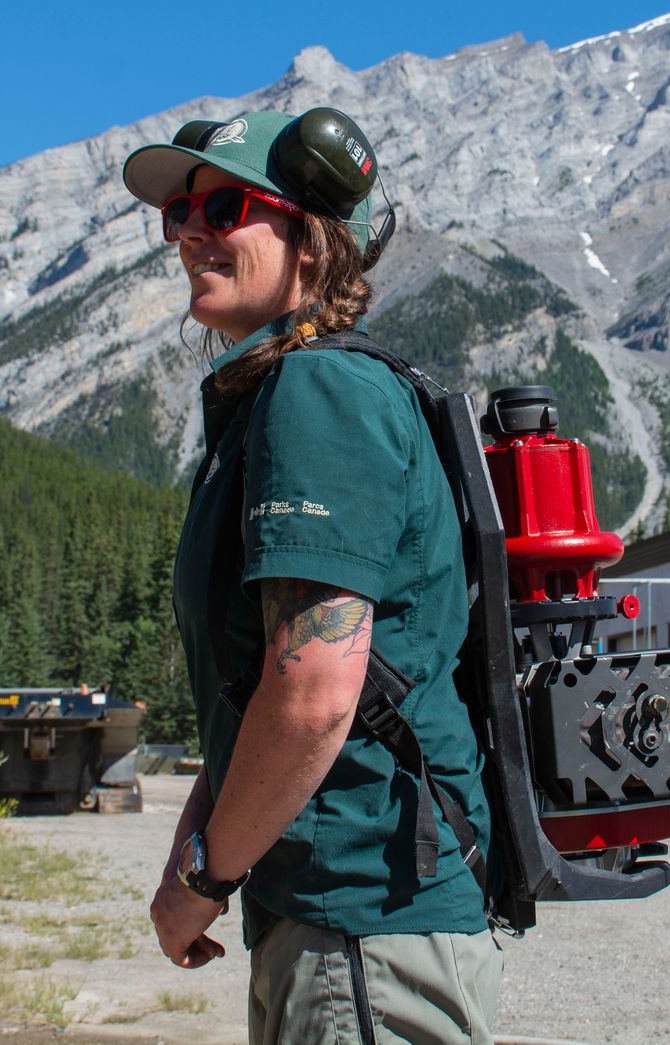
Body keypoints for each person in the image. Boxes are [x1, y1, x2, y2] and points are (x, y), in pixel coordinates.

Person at [121, 109, 501, 1044]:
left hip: (365, 927)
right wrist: (194, 846)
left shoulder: (319, 389)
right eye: (175, 213)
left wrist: (203, 881)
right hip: (339, 924)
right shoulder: (281, 397)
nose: (188, 229)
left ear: (311, 236)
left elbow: (317, 687)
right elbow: (261, 684)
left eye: (221, 204)